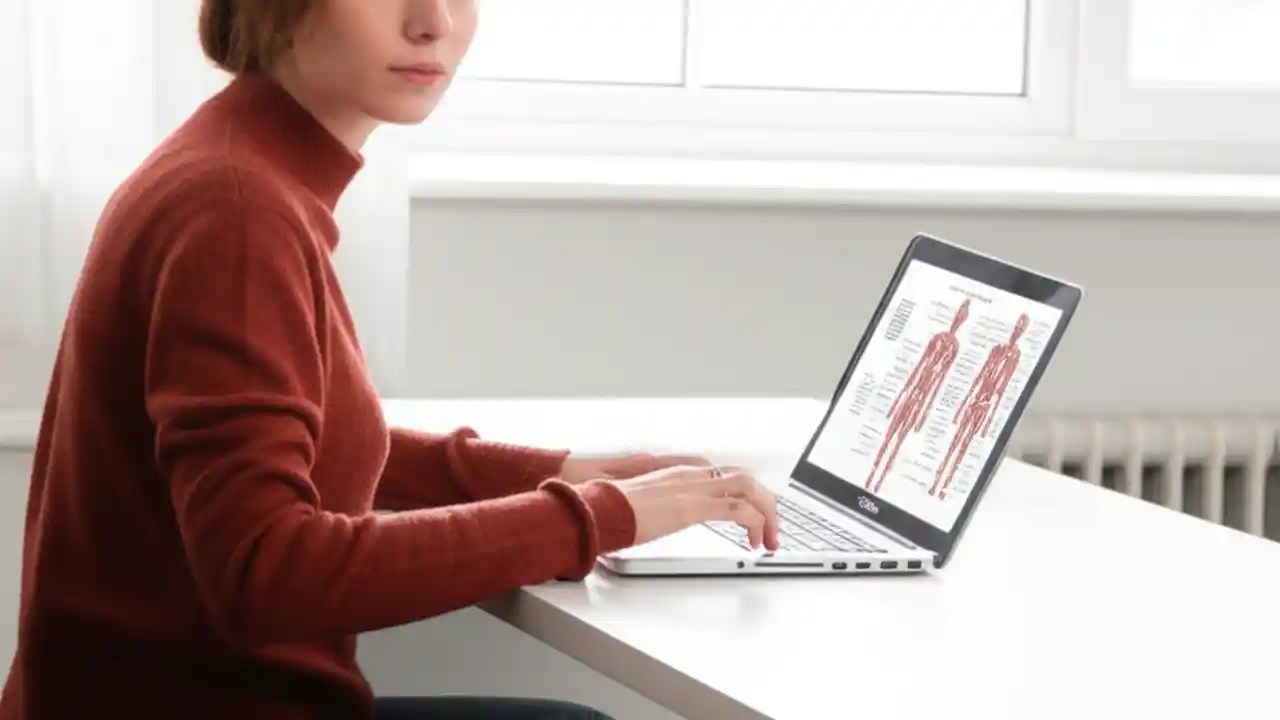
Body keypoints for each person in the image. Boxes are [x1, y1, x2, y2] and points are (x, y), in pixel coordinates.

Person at [0, 1, 780, 718]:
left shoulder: (233, 166)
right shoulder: (236, 211)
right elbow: (267, 571)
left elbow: (306, 441)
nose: (433, 22)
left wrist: (567, 474)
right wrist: (599, 517)